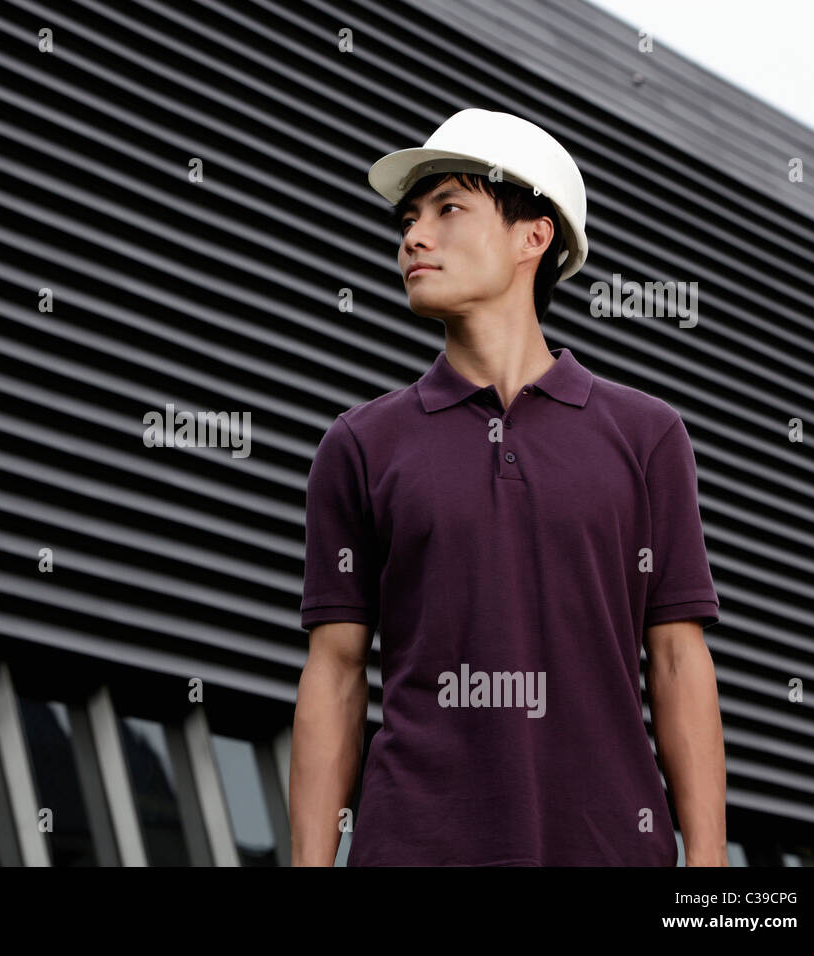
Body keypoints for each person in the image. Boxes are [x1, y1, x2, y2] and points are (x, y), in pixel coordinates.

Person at [290, 109, 726, 867]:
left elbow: (679, 659)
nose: (414, 237)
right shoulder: (360, 445)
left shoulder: (647, 436)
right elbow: (333, 671)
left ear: (535, 237)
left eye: (448, 209)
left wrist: (712, 873)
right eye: (409, 218)